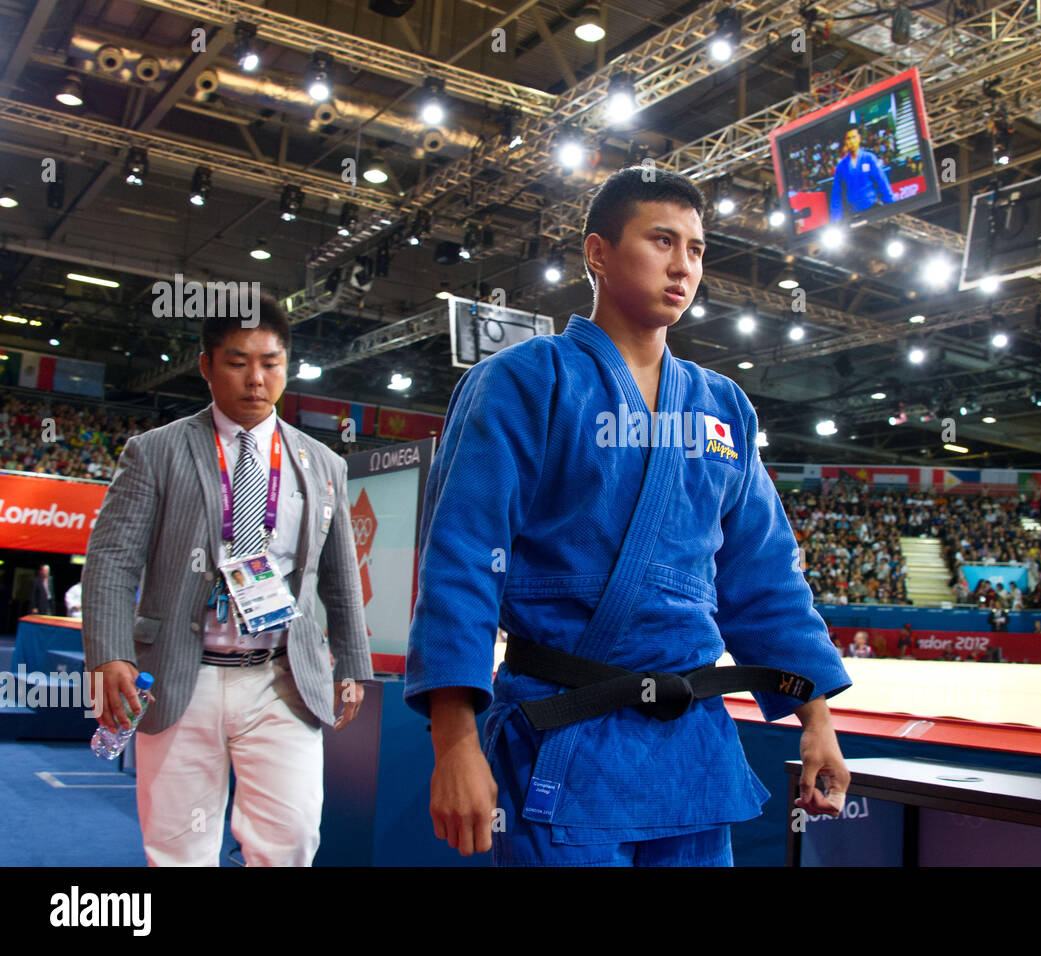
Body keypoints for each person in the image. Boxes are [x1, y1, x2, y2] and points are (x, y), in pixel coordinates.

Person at [405, 167, 852, 867]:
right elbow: (463, 561)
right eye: (662, 240)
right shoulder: (525, 381)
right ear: (598, 253)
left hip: (691, 750)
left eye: (698, 250)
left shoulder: (723, 407)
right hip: (564, 734)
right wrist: (455, 742)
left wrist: (815, 716)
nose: (683, 265)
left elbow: (763, 578)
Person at [81, 293, 373, 867]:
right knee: (178, 847)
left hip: (281, 680)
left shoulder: (324, 464)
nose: (256, 379)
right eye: (238, 362)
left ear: (286, 367)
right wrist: (109, 654)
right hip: (178, 675)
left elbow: (340, 577)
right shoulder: (155, 452)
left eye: (270, 363)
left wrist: (354, 666)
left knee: (290, 840)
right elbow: (112, 560)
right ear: (206, 365)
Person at [828, 127, 895, 222]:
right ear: (845, 141)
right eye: (848, 138)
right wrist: (835, 220)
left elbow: (882, 183)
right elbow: (836, 195)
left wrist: (891, 206)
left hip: (873, 207)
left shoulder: (869, 158)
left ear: (859, 138)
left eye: (854, 137)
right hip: (854, 214)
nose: (852, 141)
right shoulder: (841, 166)